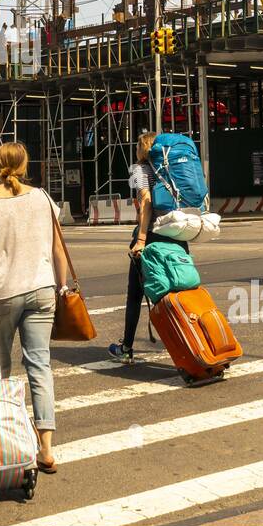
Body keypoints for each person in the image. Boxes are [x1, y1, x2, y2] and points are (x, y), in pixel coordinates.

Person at [0, 143, 70, 474]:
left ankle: (2, 437)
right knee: (40, 366)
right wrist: (62, 286)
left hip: (5, 294)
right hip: (43, 289)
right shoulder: (42, 198)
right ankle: (46, 448)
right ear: (25, 165)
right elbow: (58, 247)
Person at [107, 132, 173, 365]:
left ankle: (126, 348)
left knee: (135, 294)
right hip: (174, 234)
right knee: (171, 290)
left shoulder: (139, 170)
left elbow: (144, 201)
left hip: (152, 235)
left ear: (141, 149)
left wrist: (141, 238)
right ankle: (184, 339)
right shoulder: (170, 170)